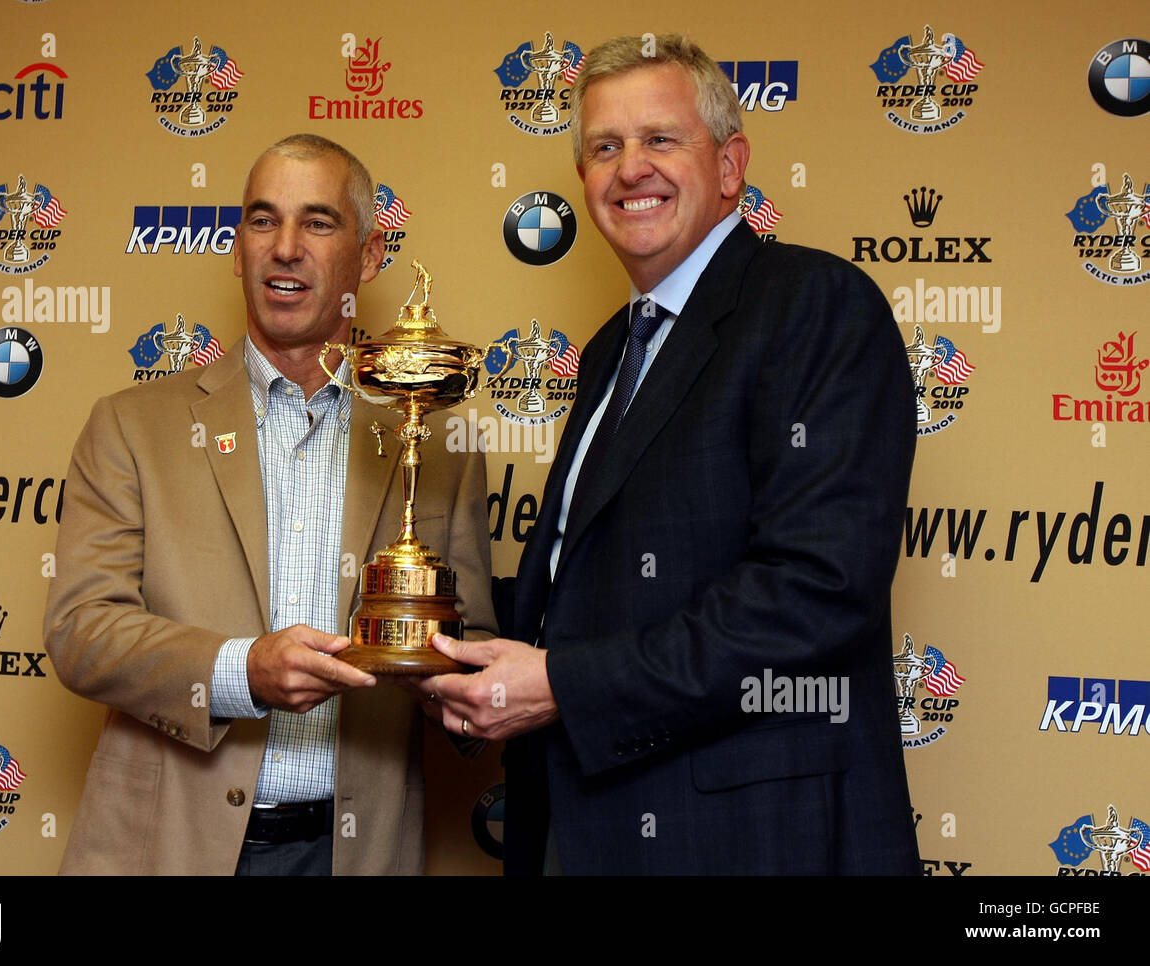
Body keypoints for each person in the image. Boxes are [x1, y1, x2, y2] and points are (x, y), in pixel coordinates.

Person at [421, 35, 919, 874]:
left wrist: (564, 688)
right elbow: (596, 597)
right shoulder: (614, 349)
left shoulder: (815, 305)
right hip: (585, 830)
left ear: (731, 167)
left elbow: (816, 591)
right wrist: (431, 639)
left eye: (661, 140)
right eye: (604, 148)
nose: (629, 169)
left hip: (752, 840)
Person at [44, 134, 496, 875]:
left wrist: (450, 678)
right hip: (168, 849)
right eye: (262, 220)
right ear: (237, 247)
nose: (285, 247)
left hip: (357, 854)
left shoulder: (436, 440)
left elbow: (471, 647)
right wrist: (240, 670)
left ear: (371, 256)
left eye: (318, 222)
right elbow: (81, 631)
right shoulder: (132, 425)